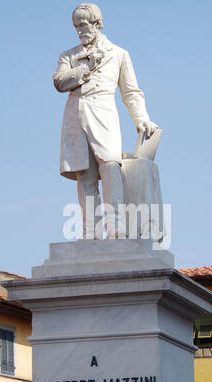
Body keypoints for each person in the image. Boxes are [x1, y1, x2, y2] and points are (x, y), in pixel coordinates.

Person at [53, 3, 157, 239]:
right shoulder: (68, 55)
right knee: (85, 174)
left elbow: (131, 92)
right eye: (76, 26)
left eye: (83, 25)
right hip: (75, 116)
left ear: (97, 23)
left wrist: (141, 118)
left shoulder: (118, 53)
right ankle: (91, 232)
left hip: (104, 112)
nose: (80, 31)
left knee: (110, 167)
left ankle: (115, 228)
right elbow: (59, 82)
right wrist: (86, 67)